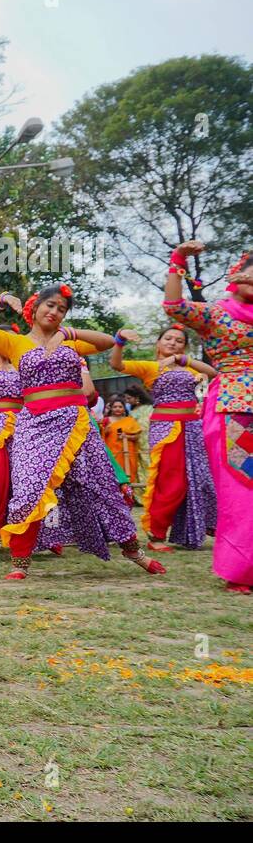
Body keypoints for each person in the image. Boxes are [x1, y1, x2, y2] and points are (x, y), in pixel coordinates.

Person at [0, 285, 164, 580]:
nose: (54, 312)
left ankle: (133, 550)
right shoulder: (14, 343)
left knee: (100, 485)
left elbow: (107, 342)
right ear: (35, 307)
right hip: (33, 424)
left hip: (75, 422)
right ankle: (20, 561)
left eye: (61, 309)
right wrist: (0, 301)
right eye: (50, 305)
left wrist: (70, 333)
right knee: (29, 489)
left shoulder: (70, 342)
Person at [164, 241, 253, 592]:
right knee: (242, 487)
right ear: (236, 275)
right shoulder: (218, 313)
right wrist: (178, 259)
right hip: (235, 407)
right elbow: (173, 305)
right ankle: (242, 568)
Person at [109, 324, 217, 551]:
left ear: (184, 347)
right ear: (158, 343)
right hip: (167, 429)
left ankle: (202, 527)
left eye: (179, 340)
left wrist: (184, 360)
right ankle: (156, 534)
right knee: (171, 482)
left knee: (200, 478)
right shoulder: (151, 367)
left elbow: (212, 373)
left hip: (193, 427)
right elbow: (116, 365)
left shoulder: (190, 368)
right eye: (168, 338)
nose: (173, 343)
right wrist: (119, 341)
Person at [99, 396, 142, 484]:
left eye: (120, 407)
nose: (117, 409)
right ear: (111, 408)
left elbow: (137, 436)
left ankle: (131, 495)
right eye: (115, 407)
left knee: (130, 476)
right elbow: (100, 437)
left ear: (124, 408)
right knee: (115, 476)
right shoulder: (106, 421)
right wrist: (105, 431)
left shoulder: (130, 420)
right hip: (113, 454)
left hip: (128, 453)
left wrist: (126, 437)